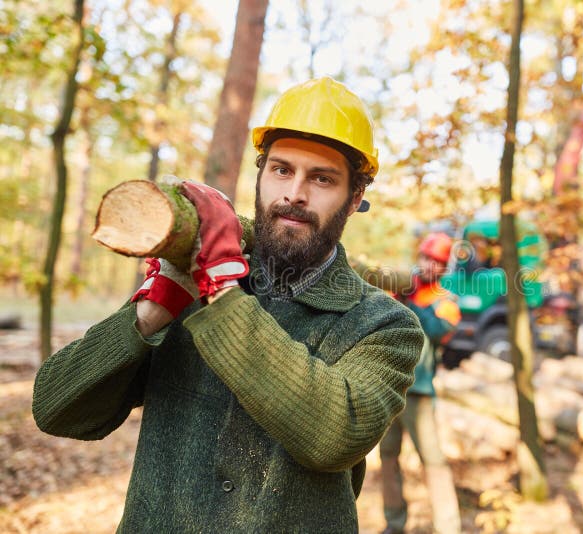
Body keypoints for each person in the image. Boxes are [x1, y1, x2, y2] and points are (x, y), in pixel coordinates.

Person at [32, 77, 424, 533]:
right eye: (281, 170)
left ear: (355, 197)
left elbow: (334, 435)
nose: (294, 193)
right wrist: (155, 309)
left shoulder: (386, 324)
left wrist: (220, 285)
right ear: (260, 175)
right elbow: (57, 408)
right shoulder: (194, 276)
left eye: (321, 178)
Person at [380, 232, 462, 534]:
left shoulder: (446, 301)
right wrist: (400, 294)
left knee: (434, 461)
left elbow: (439, 330)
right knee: (387, 457)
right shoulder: (400, 288)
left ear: (443, 268)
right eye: (425, 258)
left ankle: (448, 527)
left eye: (436, 261)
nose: (428, 265)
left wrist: (411, 300)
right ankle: (394, 521)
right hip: (389, 388)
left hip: (419, 393)